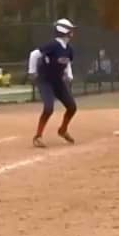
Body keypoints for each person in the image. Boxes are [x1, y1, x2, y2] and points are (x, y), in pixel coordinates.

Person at [30, 18, 78, 147]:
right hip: (45, 81)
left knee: (72, 107)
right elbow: (34, 54)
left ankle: (62, 130)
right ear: (64, 30)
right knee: (48, 108)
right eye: (70, 29)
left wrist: (69, 74)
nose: (72, 32)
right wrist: (32, 71)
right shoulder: (53, 45)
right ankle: (38, 137)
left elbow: (67, 63)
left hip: (58, 82)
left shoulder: (69, 49)